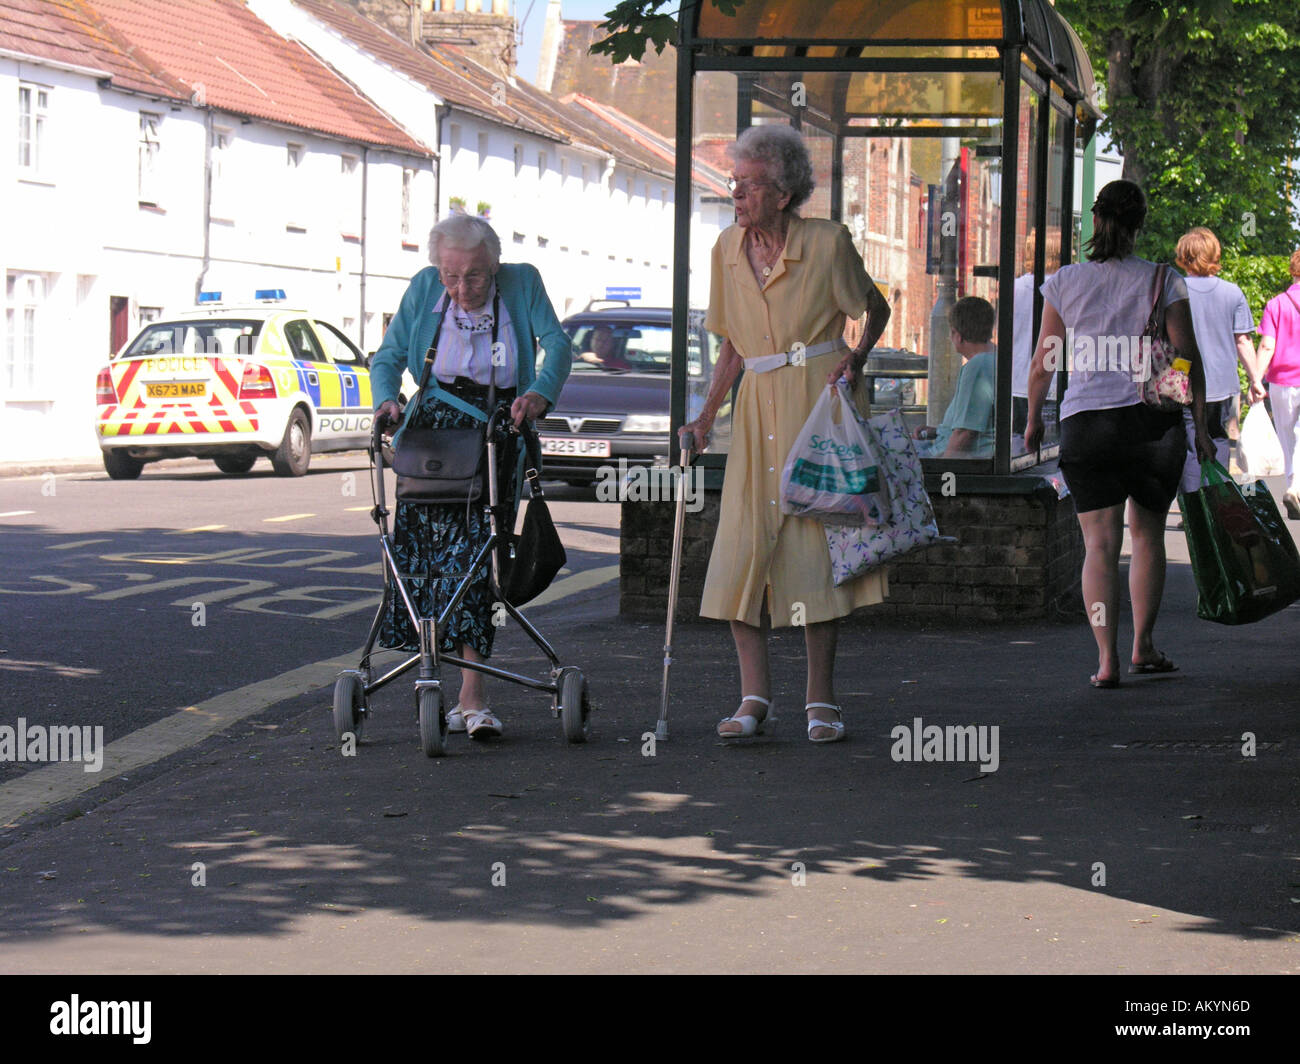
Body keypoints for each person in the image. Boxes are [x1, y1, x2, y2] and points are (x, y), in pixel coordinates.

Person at [679, 124, 892, 743]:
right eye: (734, 183)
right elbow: (732, 348)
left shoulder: (827, 243)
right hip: (754, 416)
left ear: (781, 191)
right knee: (742, 554)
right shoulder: (725, 249)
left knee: (813, 555)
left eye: (745, 185)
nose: (734, 194)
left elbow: (872, 307)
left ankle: (820, 701)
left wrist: (857, 356)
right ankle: (752, 697)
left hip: (815, 406)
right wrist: (704, 417)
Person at [370, 214, 571, 738]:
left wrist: (538, 393)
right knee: (424, 556)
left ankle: (472, 695)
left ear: (495, 264)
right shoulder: (424, 287)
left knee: (478, 552)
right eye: (451, 277)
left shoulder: (523, 282)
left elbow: (558, 345)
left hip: (497, 430)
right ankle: (436, 673)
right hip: (432, 433)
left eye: (475, 277)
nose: (462, 289)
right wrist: (387, 400)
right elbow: (388, 356)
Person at [1025, 180, 1214, 688]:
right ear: (1139, 224)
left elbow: (1045, 359)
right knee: (1147, 538)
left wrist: (1032, 420)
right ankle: (1143, 647)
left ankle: (1106, 660)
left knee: (1099, 547)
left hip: (1086, 423)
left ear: (1096, 220)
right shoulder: (1162, 279)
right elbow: (1186, 354)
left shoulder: (1065, 281)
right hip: (1151, 423)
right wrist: (1198, 423)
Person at [1173, 227, 1261, 493]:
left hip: (1184, 381)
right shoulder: (1232, 293)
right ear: (1214, 255)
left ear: (1183, 255)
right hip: (1223, 384)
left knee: (1191, 445)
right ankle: (1220, 506)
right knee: (1219, 441)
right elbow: (1243, 341)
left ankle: (1194, 512)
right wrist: (1256, 379)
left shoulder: (1174, 289)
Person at [913, 296, 997, 457]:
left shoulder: (978, 366)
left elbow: (965, 433)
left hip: (958, 462)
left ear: (957, 335)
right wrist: (938, 431)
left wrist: (942, 474)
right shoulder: (994, 358)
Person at [1253, 249, 1300, 518]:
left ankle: (1295, 486)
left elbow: (1268, 345)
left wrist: (1256, 380)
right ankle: (1295, 488)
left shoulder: (1276, 304)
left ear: (1292, 270)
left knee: (1288, 439)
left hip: (1282, 381)